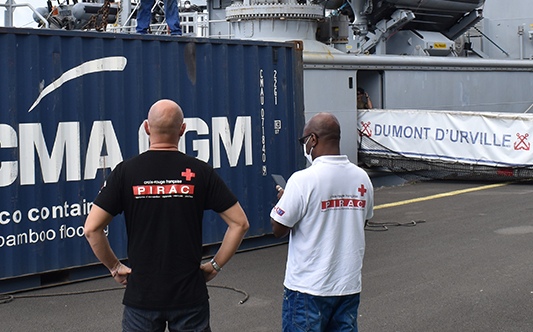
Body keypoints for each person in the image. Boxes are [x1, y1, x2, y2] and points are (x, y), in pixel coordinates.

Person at [84, 99, 250, 332]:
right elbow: (240, 223)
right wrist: (215, 265)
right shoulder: (200, 172)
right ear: (182, 130)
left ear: (146, 128)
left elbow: (91, 229)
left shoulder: (126, 172)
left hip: (142, 297)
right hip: (190, 296)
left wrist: (114, 267)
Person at [270, 112, 374, 332]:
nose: (304, 145)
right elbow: (360, 223)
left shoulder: (303, 180)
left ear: (313, 139)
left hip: (307, 290)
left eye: (304, 140)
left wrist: (285, 200)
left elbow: (278, 228)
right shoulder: (362, 178)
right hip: (347, 287)